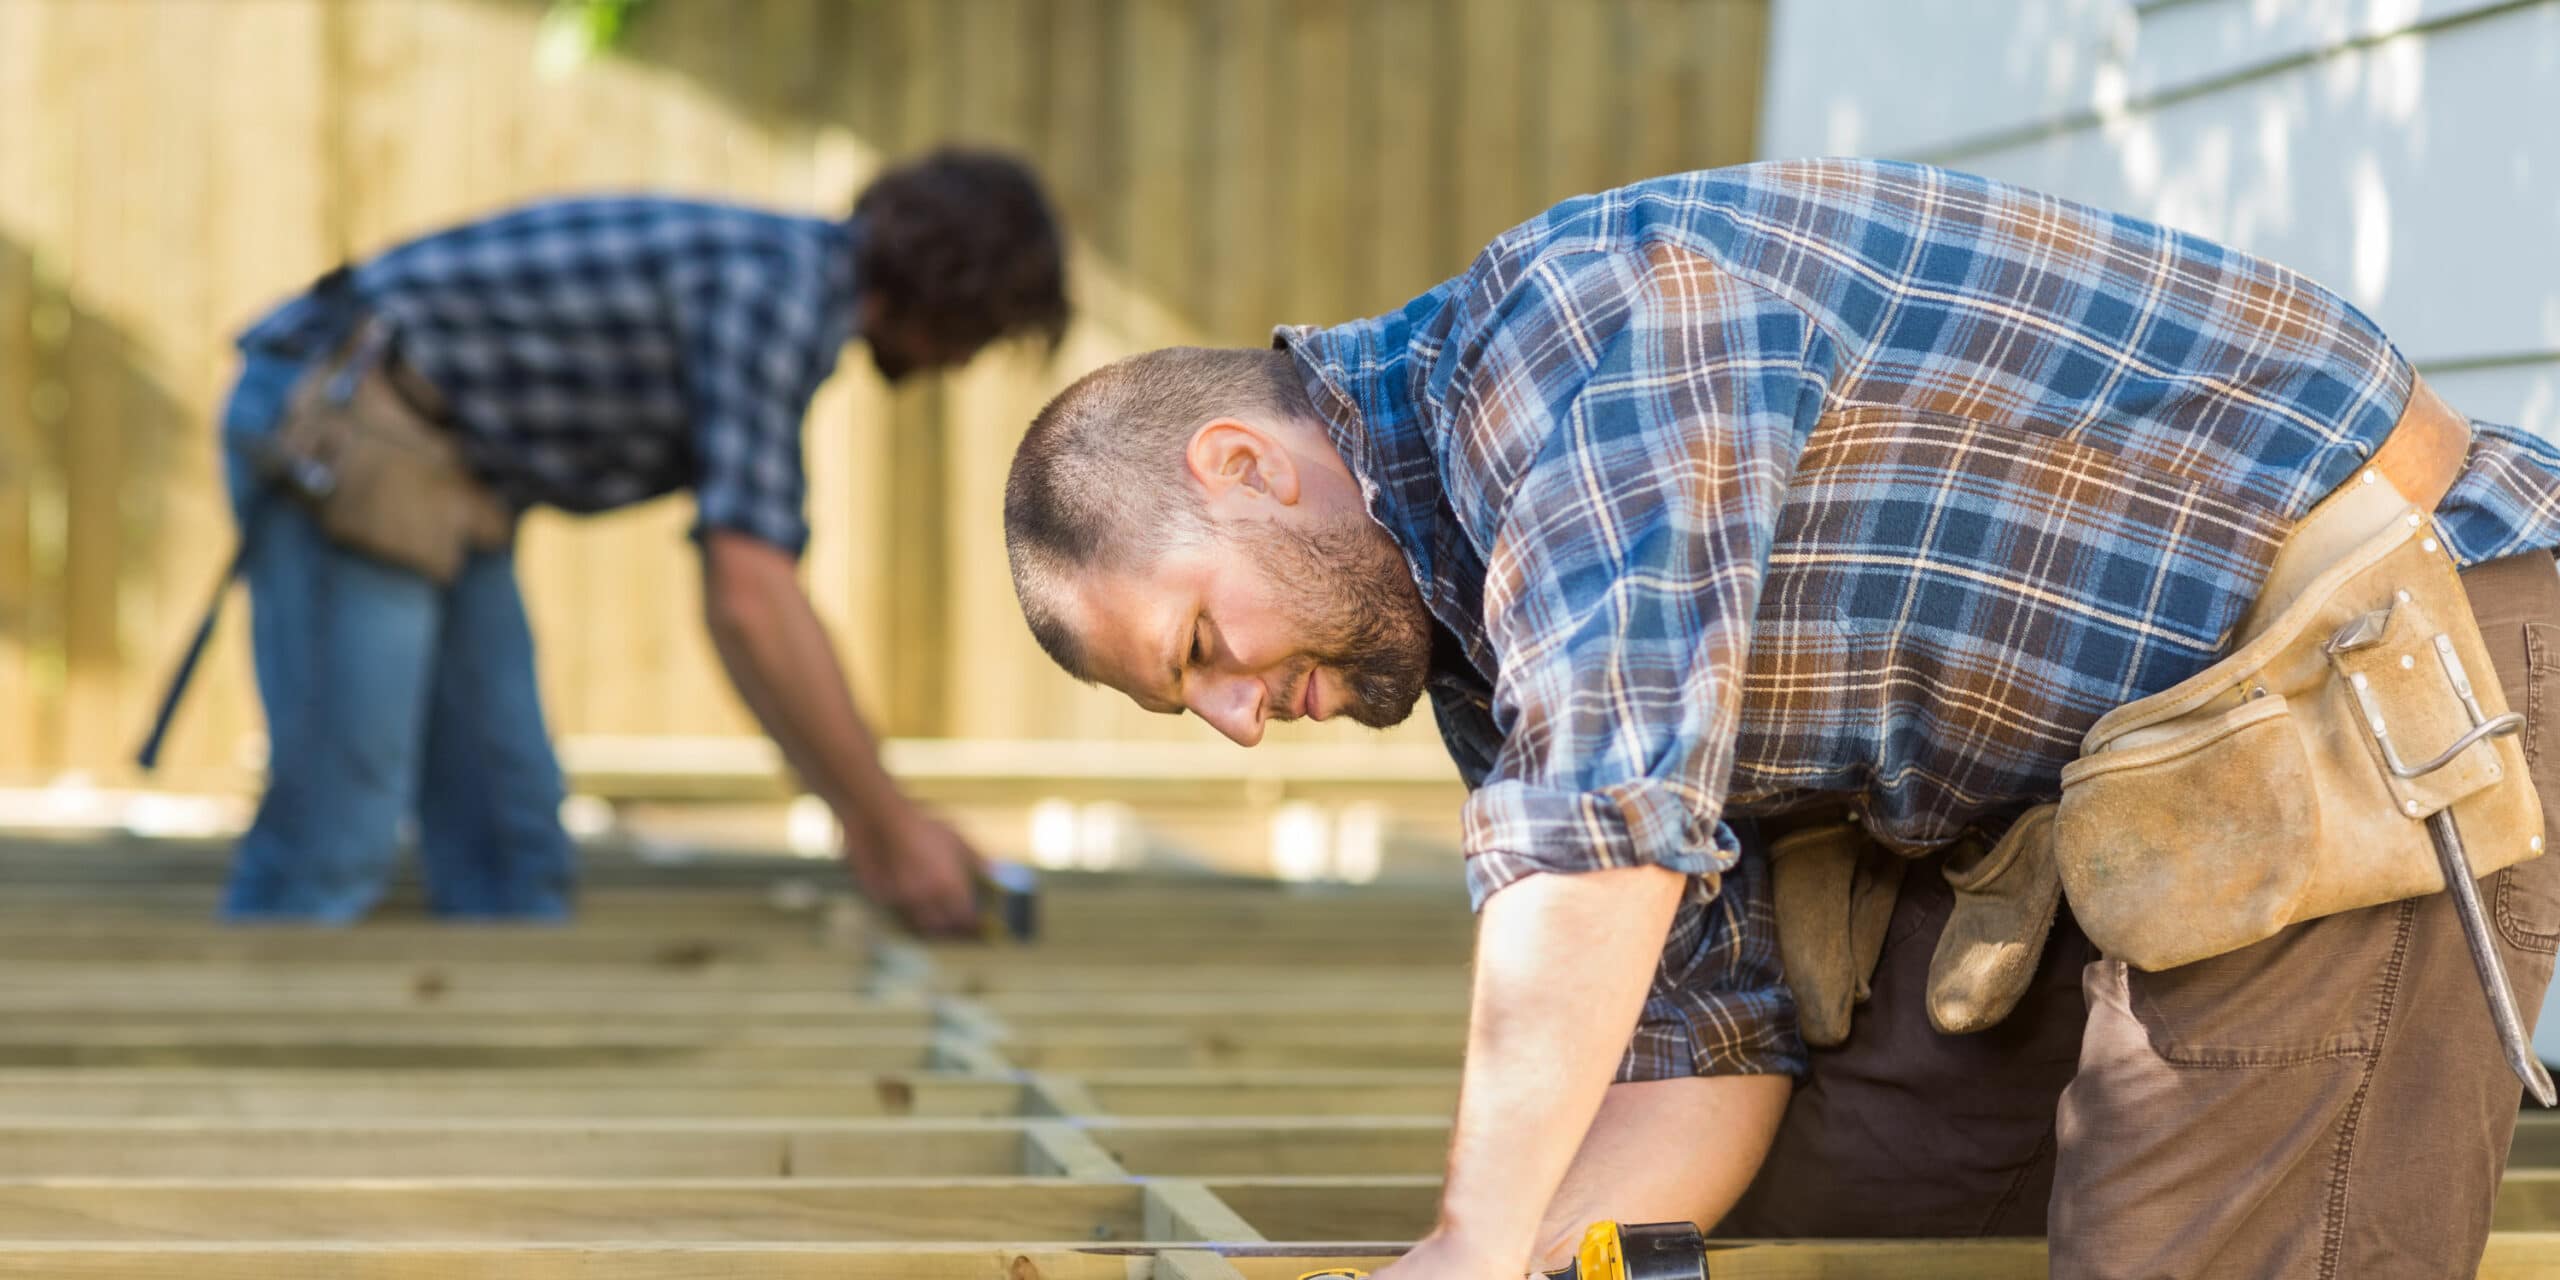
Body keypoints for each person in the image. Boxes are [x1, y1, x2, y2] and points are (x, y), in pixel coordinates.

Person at [999, 159, 2560, 1277]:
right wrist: (1532, 1257)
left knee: (2185, 1247)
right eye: (1186, 700)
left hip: (2376, 675)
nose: (1236, 725)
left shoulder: (1569, 338)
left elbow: (1607, 812)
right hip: (2134, 805)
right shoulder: (1480, 645)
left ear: (1243, 464)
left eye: (1200, 642)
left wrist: (1473, 1241)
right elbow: (1703, 1044)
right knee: (1838, 1204)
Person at [209, 148, 1068, 929]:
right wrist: (888, 827)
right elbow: (751, 603)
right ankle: (238, 1066)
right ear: (955, 293)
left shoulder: (790, 284)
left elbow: (753, 620)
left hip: (446, 467)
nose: (963, 364)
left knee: (512, 861)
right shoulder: (775, 292)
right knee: (336, 836)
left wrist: (876, 823)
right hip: (344, 422)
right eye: (983, 337)